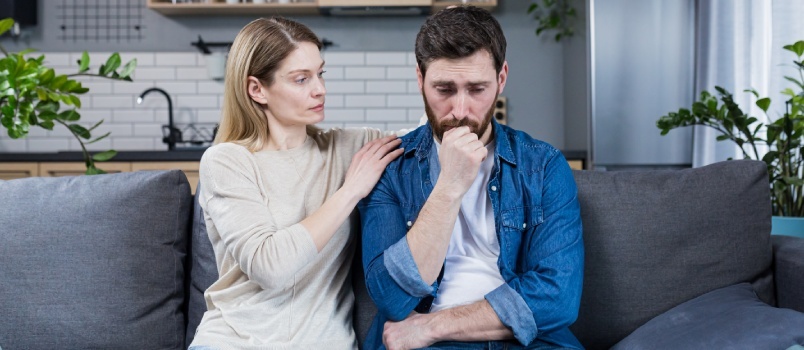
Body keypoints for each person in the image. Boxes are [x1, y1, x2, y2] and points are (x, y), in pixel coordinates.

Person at [358, 6, 584, 350]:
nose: (460, 111)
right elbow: (392, 298)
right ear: (420, 80)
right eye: (444, 89)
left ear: (501, 79)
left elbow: (558, 297)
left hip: (515, 338)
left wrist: (435, 326)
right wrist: (450, 185)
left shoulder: (543, 165)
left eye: (477, 89)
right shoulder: (391, 167)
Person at [189, 17, 403, 349]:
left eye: (320, 73)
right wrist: (350, 192)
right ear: (256, 89)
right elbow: (270, 267)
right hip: (233, 341)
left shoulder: (348, 148)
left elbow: (428, 140)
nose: (320, 89)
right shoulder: (227, 161)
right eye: (301, 79)